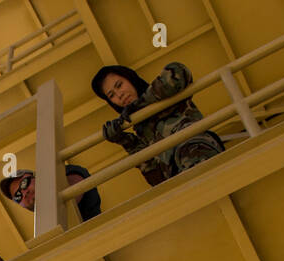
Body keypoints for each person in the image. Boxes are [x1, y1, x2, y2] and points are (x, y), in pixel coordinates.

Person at [91, 62, 224, 186]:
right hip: (179, 179)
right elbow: (155, 178)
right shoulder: (141, 129)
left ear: (130, 79)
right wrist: (125, 140)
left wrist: (140, 104)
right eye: (111, 95)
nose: (119, 95)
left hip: (197, 152)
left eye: (119, 85)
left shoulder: (163, 93)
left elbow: (179, 71)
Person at [0, 166, 102, 222]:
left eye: (24, 183)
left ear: (37, 177)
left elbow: (73, 191)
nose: (24, 193)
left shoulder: (64, 172)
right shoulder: (42, 226)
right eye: (18, 196)